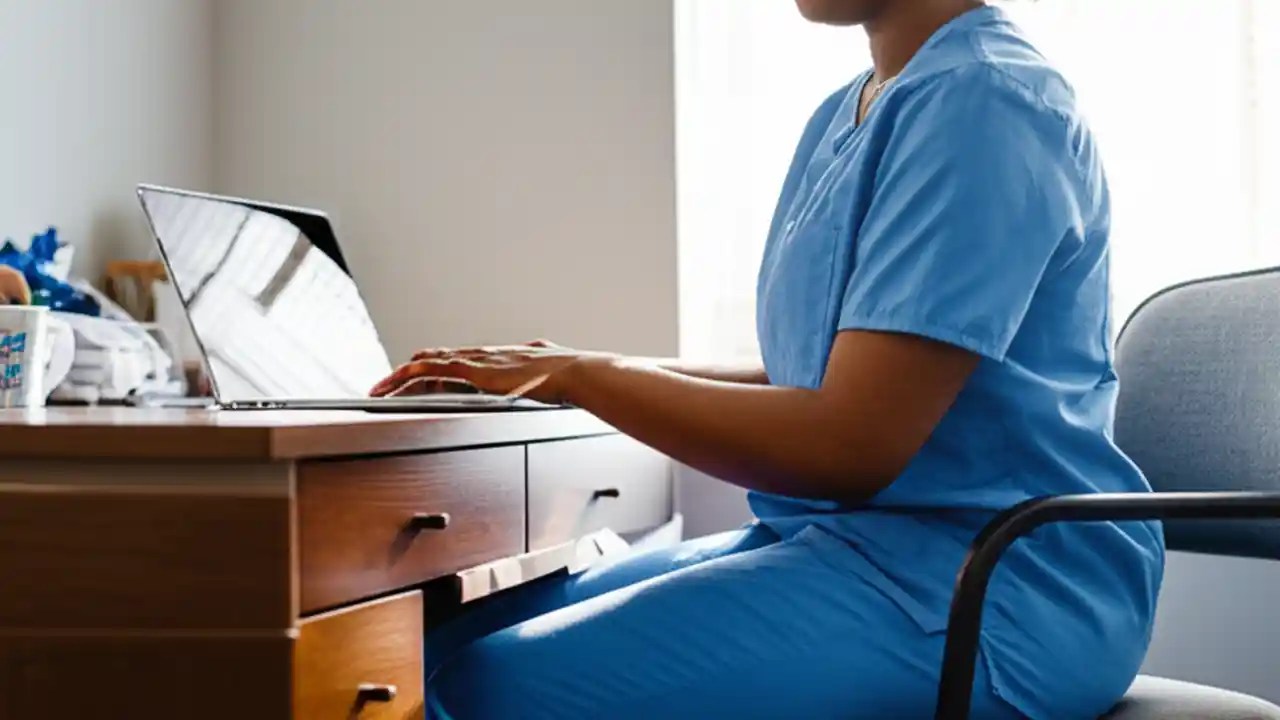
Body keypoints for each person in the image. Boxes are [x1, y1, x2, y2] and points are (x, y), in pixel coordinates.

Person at [371, 1, 1165, 717]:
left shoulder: (987, 103)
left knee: (474, 695)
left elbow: (846, 444)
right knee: (425, 647)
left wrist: (589, 378)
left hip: (995, 585)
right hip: (859, 550)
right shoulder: (855, 109)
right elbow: (814, 380)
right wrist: (579, 368)